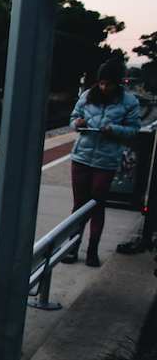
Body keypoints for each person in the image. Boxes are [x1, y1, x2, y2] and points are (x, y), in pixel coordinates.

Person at [63, 58, 141, 266]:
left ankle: (92, 250)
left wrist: (114, 130)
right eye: (102, 83)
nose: (105, 87)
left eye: (110, 84)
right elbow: (73, 118)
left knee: (97, 205)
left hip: (106, 161)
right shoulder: (88, 95)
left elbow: (134, 129)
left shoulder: (129, 102)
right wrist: (77, 123)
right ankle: (72, 249)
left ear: (118, 84)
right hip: (81, 157)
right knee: (79, 205)